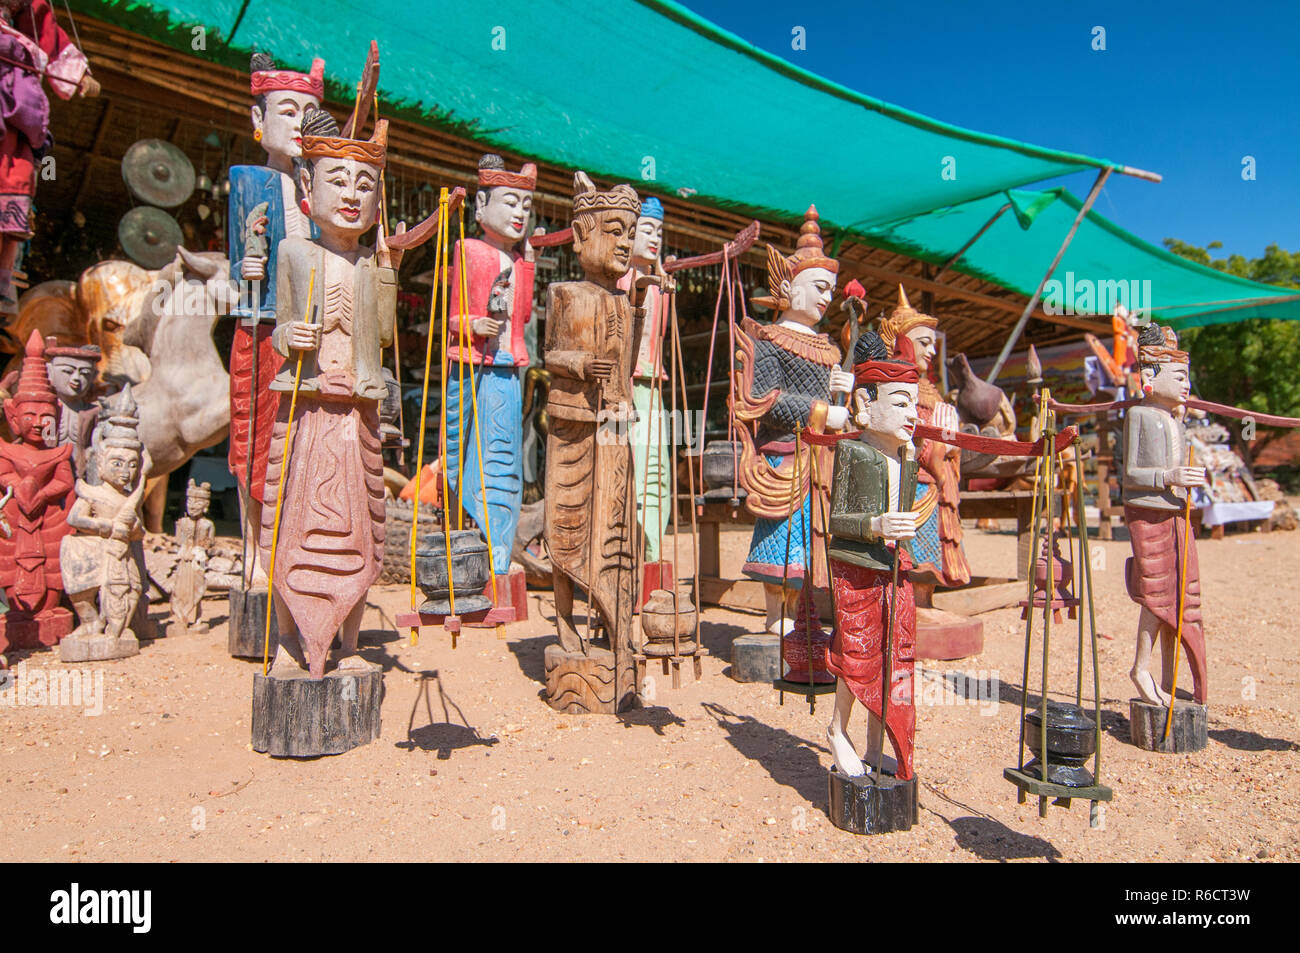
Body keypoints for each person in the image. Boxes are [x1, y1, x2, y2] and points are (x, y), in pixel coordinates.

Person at [258, 105, 398, 679]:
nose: (351, 194)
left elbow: (385, 335)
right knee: (293, 520)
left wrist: (387, 270)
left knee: (360, 529)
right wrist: (291, 334)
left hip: (355, 415)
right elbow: (277, 333)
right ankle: (290, 642)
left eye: (365, 185)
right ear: (306, 188)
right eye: (336, 180)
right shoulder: (295, 254)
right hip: (309, 410)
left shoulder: (370, 263)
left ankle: (351, 643)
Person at [227, 51, 324, 585]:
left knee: (306, 439)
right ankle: (254, 550)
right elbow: (231, 265)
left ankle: (294, 547)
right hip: (262, 325)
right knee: (256, 435)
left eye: (309, 114)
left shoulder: (322, 191)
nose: (299, 125)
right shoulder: (248, 181)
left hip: (313, 332)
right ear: (258, 120)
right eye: (287, 111)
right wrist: (243, 266)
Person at [733, 206, 852, 635]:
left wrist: (843, 389)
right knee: (781, 534)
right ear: (787, 284)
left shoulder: (829, 349)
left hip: (821, 460)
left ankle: (801, 614)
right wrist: (823, 410)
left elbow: (839, 407)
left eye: (831, 291)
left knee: (814, 537)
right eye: (819, 286)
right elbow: (764, 398)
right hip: (785, 456)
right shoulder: (769, 341)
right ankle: (774, 615)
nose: (826, 297)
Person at [823, 331, 921, 779]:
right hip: (858, 568)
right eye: (901, 403)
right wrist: (875, 526)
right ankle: (837, 730)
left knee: (894, 654)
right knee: (858, 653)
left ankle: (876, 742)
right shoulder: (853, 452)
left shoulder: (907, 456)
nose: (913, 415)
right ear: (866, 404)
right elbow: (838, 521)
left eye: (915, 405)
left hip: (894, 568)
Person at [444, 154, 538, 582]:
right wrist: (471, 324)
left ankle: (499, 549)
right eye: (510, 202)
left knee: (504, 457)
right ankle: (469, 545)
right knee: (469, 453)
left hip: (506, 370)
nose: (520, 213)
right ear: (481, 206)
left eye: (526, 205)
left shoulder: (518, 263)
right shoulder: (469, 251)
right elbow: (450, 318)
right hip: (475, 367)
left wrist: (531, 263)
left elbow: (522, 317)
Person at [1122, 324, 1207, 707]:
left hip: (1177, 513)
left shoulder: (1174, 419)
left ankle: (1174, 678)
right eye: (1181, 377)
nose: (1187, 385)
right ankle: (1141, 668)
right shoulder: (1141, 415)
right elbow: (1130, 474)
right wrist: (1168, 476)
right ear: (1150, 378)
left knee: (1183, 594)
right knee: (1156, 593)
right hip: (1150, 514)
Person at [0, 0, 98, 313]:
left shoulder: (25, 9)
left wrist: (79, 75)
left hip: (11, 85)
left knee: (16, 173)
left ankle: (2, 284)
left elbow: (44, 28)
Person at [878, 286, 969, 589]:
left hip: (930, 483)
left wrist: (949, 439)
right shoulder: (887, 387)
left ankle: (923, 600)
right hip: (901, 480)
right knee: (901, 558)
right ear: (901, 343)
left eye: (933, 344)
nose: (932, 351)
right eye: (924, 343)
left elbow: (940, 437)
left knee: (929, 558)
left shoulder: (931, 391)